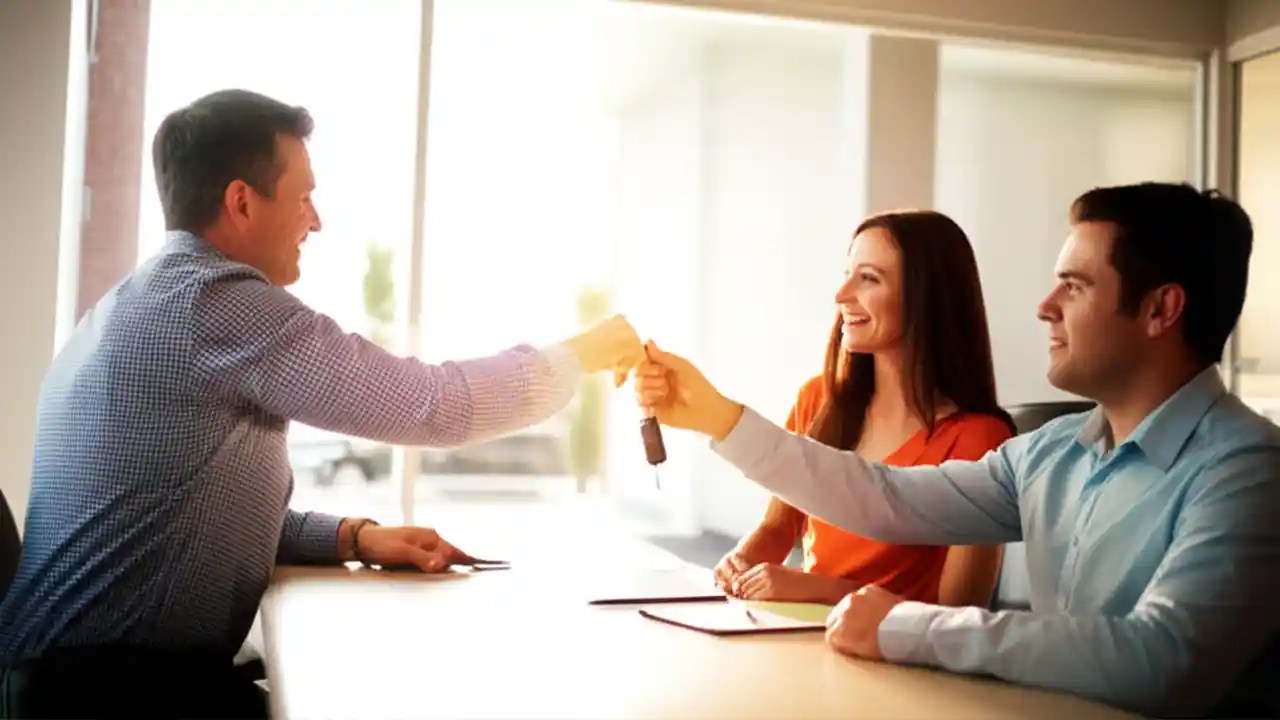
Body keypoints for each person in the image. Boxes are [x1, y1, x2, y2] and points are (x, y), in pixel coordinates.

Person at [0, 89, 644, 718]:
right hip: (110, 697)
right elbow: (433, 406)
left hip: (61, 682)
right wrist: (586, 352)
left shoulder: (124, 309)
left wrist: (354, 536)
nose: (317, 220)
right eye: (305, 197)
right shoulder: (216, 304)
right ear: (241, 202)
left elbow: (190, 517)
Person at [635, 183, 1280, 717]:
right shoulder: (1052, 451)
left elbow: (1160, 659)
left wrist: (901, 624)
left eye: (1074, 287)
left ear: (1161, 310)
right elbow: (885, 496)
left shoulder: (1248, 470)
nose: (1044, 307)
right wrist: (718, 418)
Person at [713, 211, 1011, 608]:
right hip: (805, 639)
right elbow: (777, 527)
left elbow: (956, 612)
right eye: (847, 273)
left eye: (868, 278)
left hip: (896, 661)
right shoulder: (816, 400)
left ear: (927, 297)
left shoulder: (981, 439)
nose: (841, 295)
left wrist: (821, 590)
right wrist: (743, 561)